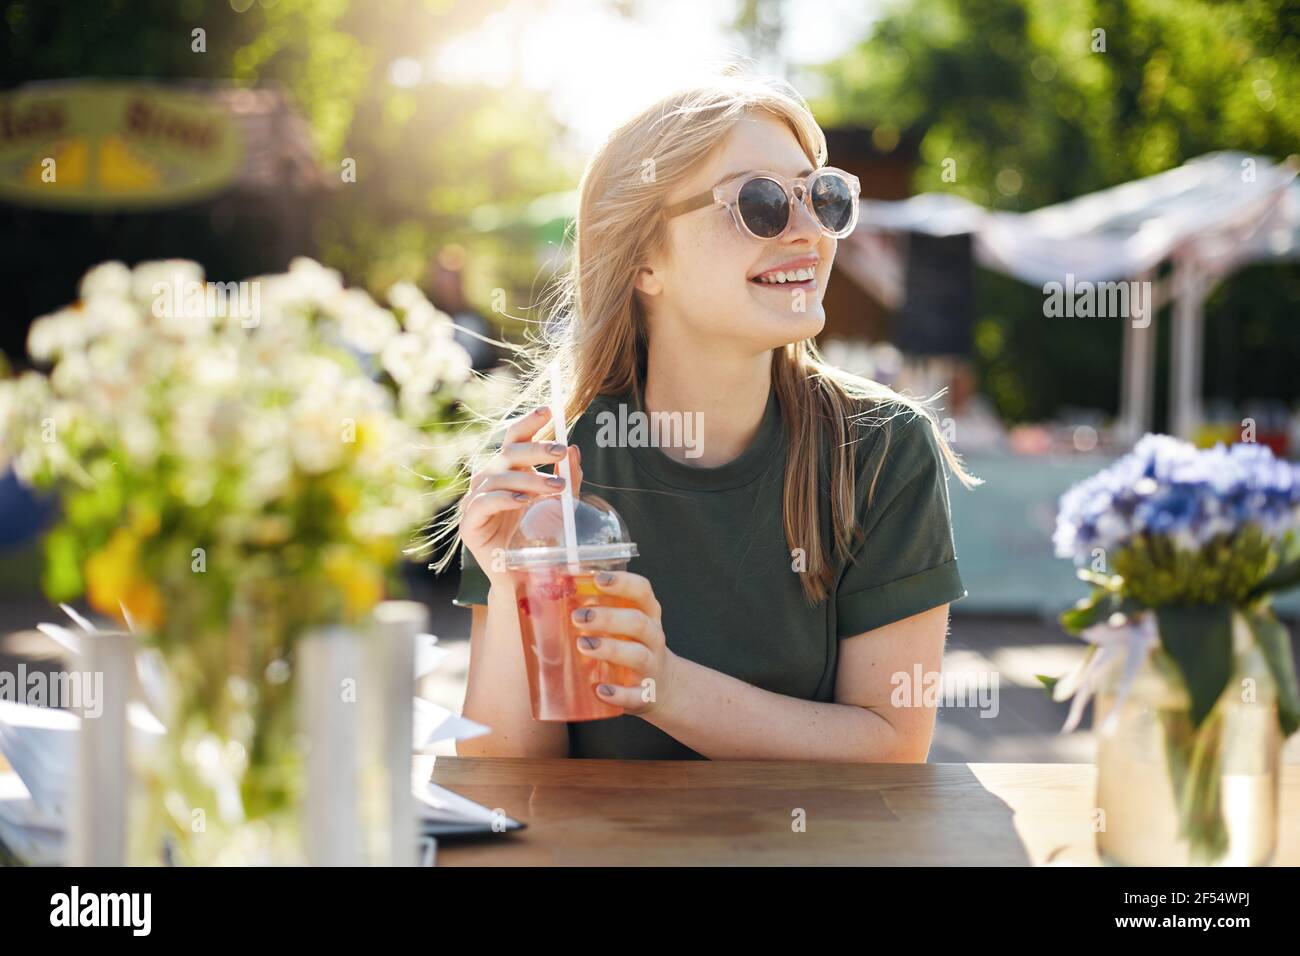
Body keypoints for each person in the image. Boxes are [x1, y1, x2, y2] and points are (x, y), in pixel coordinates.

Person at [438, 71, 979, 761]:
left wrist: (664, 687)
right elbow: (509, 778)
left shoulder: (883, 449)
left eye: (822, 196)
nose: (809, 230)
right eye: (759, 203)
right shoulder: (554, 467)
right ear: (643, 262)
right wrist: (516, 583)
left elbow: (891, 743)